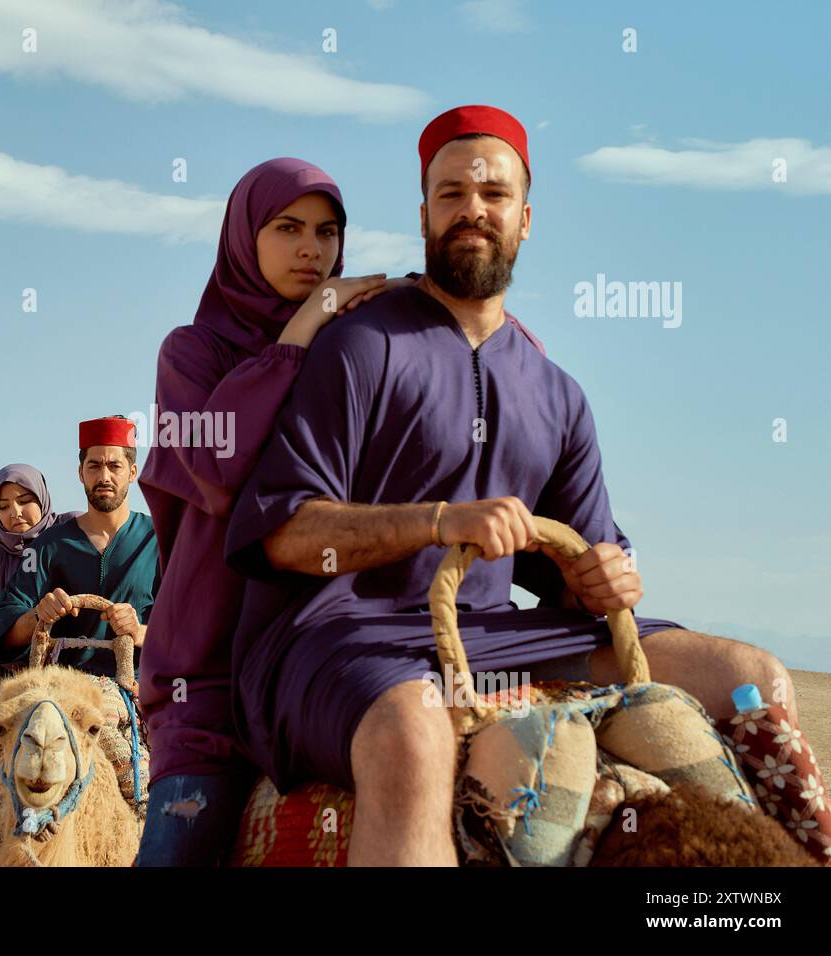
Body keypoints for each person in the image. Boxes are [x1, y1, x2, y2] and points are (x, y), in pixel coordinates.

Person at [223, 105, 800, 866]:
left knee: (750, 676)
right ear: (425, 212)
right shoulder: (357, 345)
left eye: (493, 196)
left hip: (500, 637)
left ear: (524, 219)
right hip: (335, 640)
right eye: (451, 193)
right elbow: (289, 531)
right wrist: (438, 522)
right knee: (414, 726)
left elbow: (583, 568)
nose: (472, 210)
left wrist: (605, 574)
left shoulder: (557, 392)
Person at [134, 157, 547, 866]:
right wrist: (300, 332)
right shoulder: (192, 353)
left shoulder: (354, 346)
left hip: (331, 647)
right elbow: (216, 472)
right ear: (243, 237)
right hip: (208, 671)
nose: (311, 250)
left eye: (327, 233)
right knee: (183, 846)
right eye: (287, 229)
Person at [0, 418, 159, 865]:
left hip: (134, 683)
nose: (104, 475)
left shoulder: (159, 540)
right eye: (94, 465)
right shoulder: (49, 544)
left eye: (115, 465)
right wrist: (39, 613)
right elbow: (5, 624)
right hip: (55, 682)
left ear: (133, 471)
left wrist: (141, 632)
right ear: (80, 473)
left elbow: (190, 628)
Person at [0, 464, 80, 691]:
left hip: (77, 678)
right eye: (4, 506)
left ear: (42, 499)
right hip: (11, 684)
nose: (15, 512)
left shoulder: (72, 534)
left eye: (25, 500)